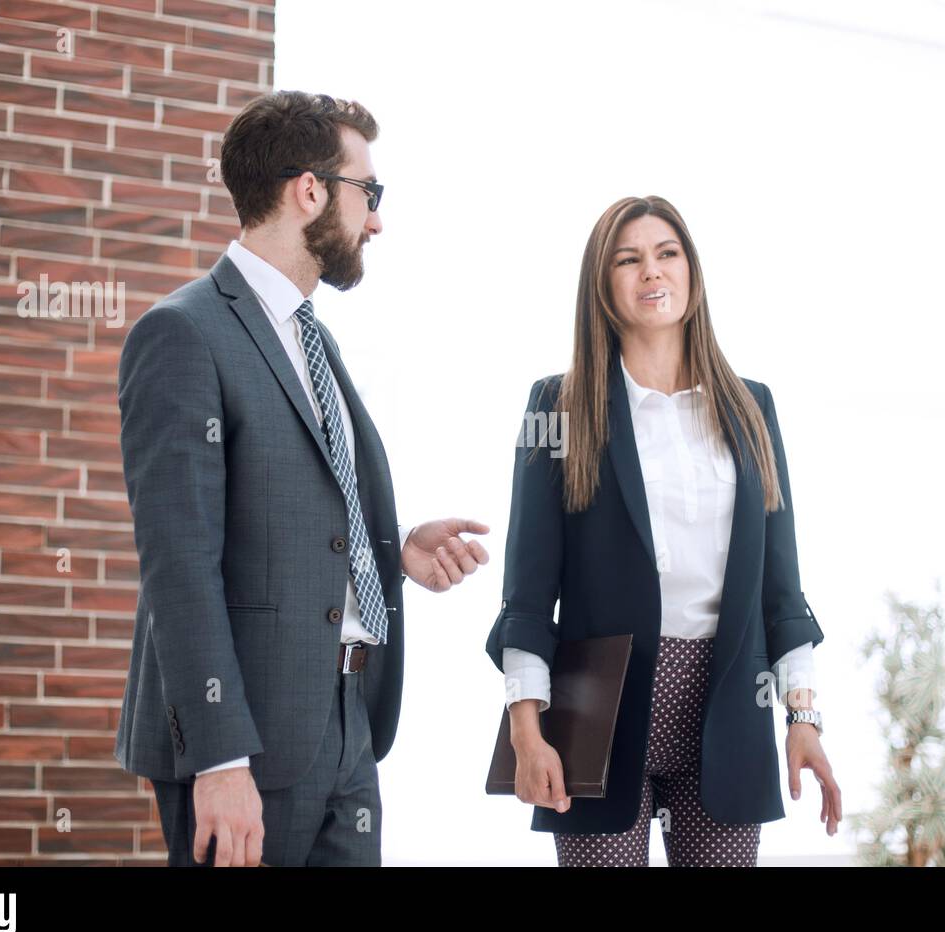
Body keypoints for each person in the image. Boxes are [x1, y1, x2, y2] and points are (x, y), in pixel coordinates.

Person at [115, 90, 489, 867]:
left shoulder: (311, 340)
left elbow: (298, 518)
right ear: (309, 191)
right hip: (246, 741)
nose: (377, 220)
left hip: (348, 722)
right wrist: (219, 763)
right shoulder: (182, 334)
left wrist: (392, 556)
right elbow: (179, 568)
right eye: (369, 194)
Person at [486, 196, 841, 866]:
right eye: (629, 259)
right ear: (604, 285)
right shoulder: (556, 407)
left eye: (666, 253)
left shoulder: (751, 407)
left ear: (692, 273)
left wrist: (802, 718)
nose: (651, 272)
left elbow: (782, 591)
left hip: (729, 704)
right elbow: (527, 597)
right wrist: (526, 734)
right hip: (598, 715)